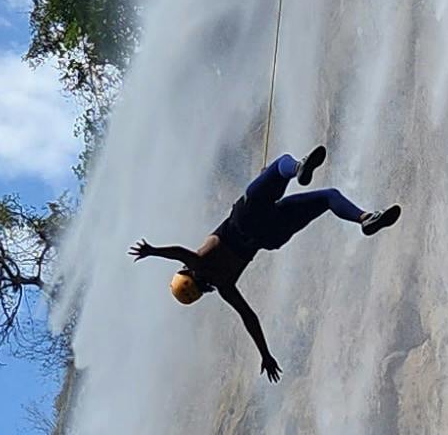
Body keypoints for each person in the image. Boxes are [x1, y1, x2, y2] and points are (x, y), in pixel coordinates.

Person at [132, 145, 400, 382]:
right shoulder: (199, 263)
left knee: (326, 198)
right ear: (186, 274)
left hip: (271, 236)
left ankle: (365, 219)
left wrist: (266, 355)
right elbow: (179, 251)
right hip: (247, 215)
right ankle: (299, 168)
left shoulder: (225, 286)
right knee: (284, 165)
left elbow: (249, 318)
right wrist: (152, 250)